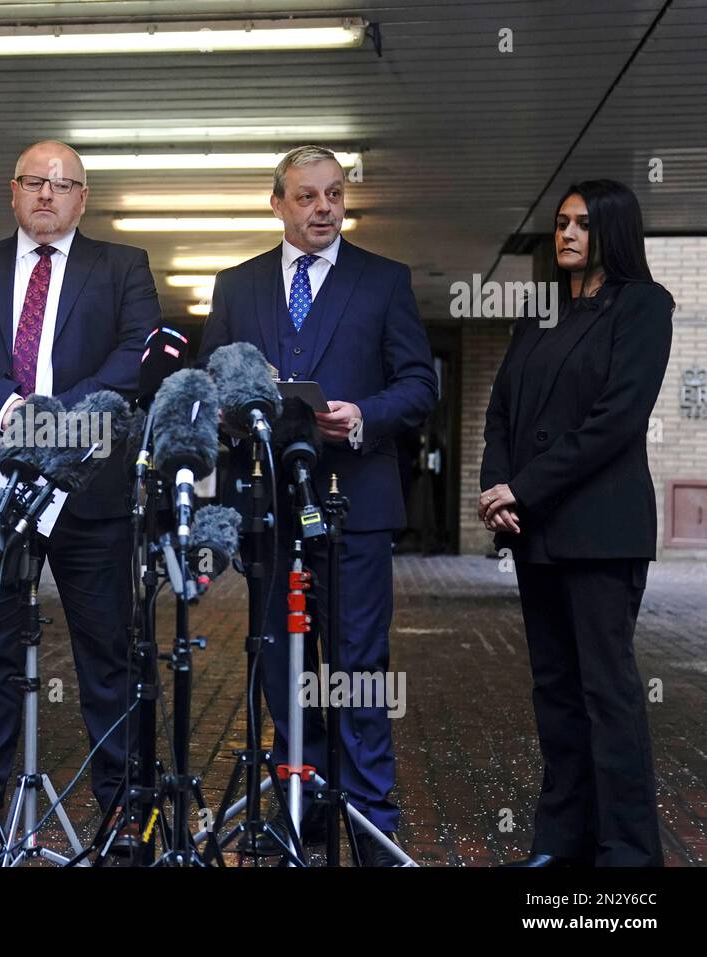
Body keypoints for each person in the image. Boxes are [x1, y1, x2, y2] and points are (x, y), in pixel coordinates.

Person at [198, 145, 438, 865]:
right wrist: (244, 402)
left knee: (358, 668)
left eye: (334, 194)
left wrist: (362, 413)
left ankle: (370, 828)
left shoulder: (383, 281)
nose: (323, 208)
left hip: (354, 506)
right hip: (267, 510)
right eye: (306, 196)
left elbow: (420, 383)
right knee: (283, 667)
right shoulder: (236, 286)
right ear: (277, 203)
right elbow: (211, 388)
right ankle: (295, 816)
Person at [0, 140, 160, 840]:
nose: (48, 194)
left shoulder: (123, 267)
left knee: (107, 650)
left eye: (64, 184)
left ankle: (123, 800)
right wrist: (9, 408)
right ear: (13, 190)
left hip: (92, 490)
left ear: (85, 197)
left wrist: (58, 420)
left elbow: (139, 354)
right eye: (35, 182)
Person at [480, 179, 671, 867]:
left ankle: (626, 851)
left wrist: (520, 489)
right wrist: (495, 491)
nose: (566, 234)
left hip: (601, 529)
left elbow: (615, 421)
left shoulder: (645, 307)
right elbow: (501, 412)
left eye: (583, 224)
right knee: (555, 693)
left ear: (612, 233)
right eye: (561, 222)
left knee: (607, 693)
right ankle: (561, 842)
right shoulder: (539, 317)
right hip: (538, 534)